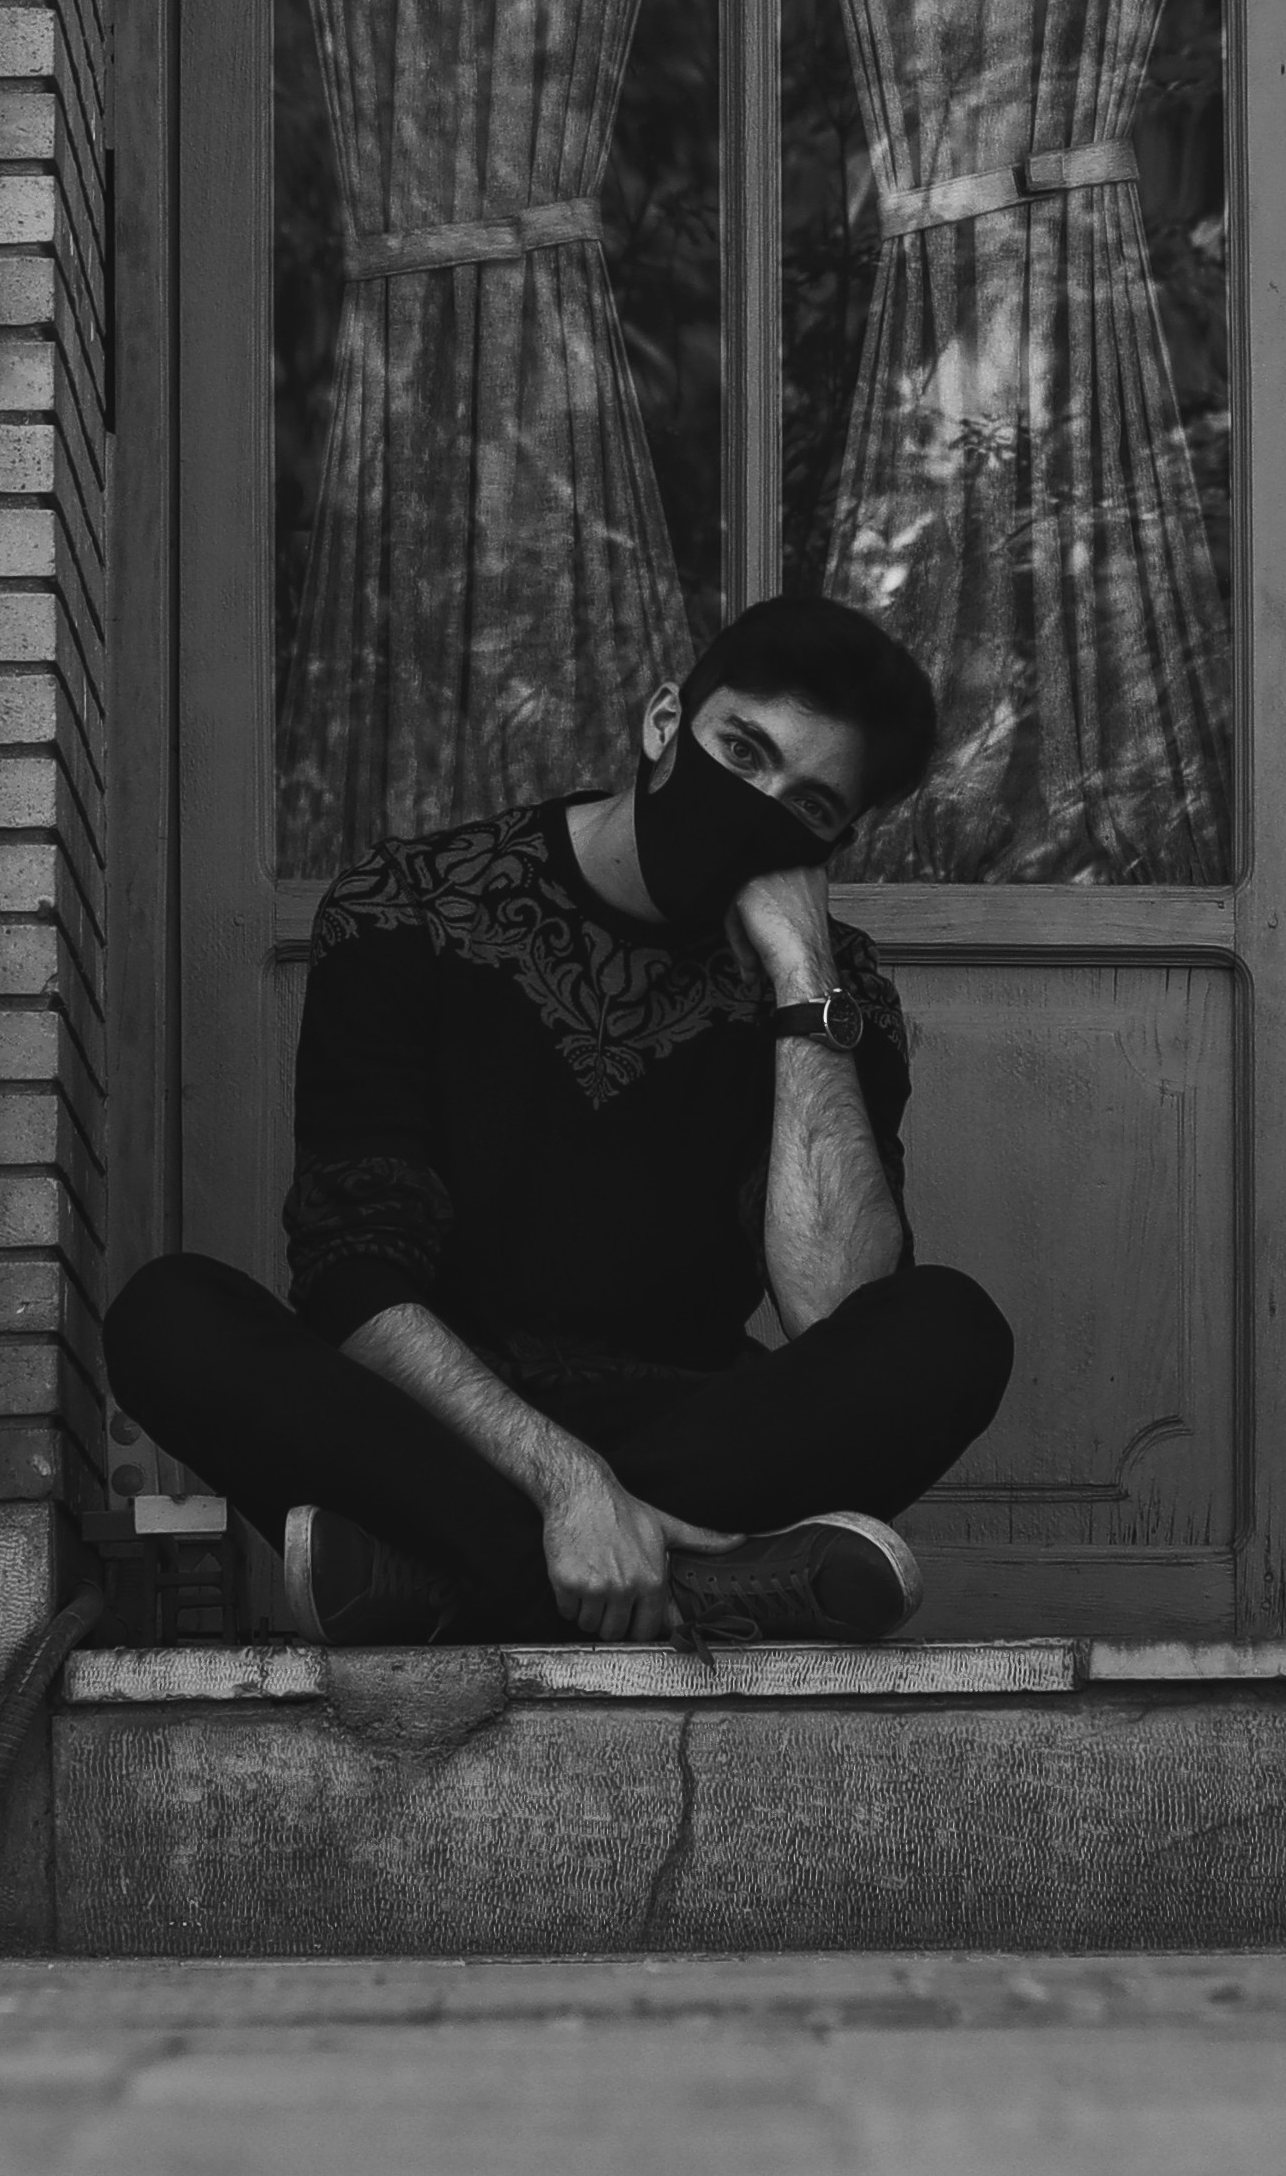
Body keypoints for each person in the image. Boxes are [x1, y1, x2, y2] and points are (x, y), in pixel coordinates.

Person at [104, 596, 1014, 1651]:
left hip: (689, 1430)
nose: (755, 801)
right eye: (742, 749)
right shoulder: (412, 908)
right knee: (168, 1319)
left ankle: (445, 1583)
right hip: (441, 1430)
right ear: (666, 723)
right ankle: (696, 1588)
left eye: (806, 806)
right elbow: (353, 1277)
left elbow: (841, 1315)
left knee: (949, 1330)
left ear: (832, 845)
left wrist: (802, 981)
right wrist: (567, 1482)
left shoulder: (833, 988)